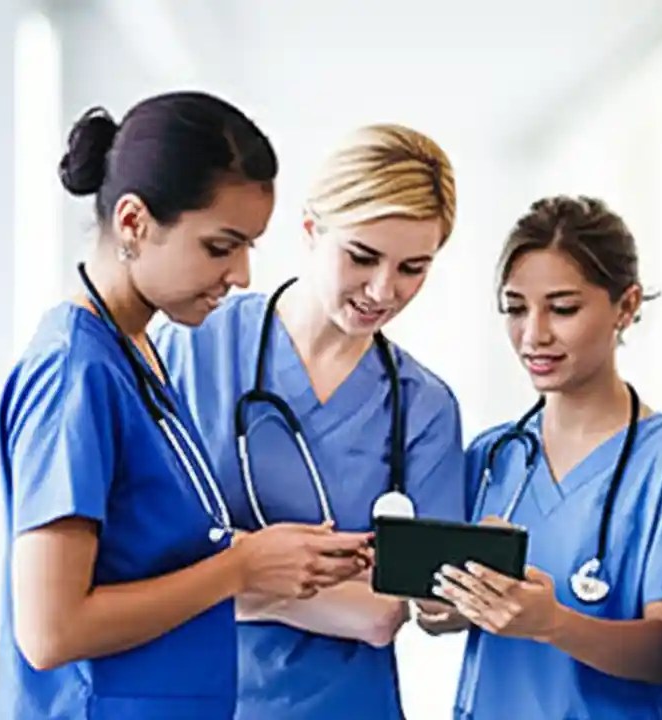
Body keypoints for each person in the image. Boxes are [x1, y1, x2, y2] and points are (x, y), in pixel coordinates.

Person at [0, 92, 373, 720]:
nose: (244, 274)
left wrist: (270, 556)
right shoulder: (73, 372)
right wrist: (240, 568)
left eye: (250, 246)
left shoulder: (138, 354)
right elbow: (50, 630)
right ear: (135, 223)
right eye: (221, 246)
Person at [153, 123, 465, 720]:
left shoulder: (423, 407)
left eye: (413, 267)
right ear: (310, 229)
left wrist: (228, 575)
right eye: (363, 256)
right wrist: (299, 586)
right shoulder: (192, 349)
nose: (383, 290)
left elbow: (384, 615)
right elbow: (140, 553)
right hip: (193, 695)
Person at [417, 195, 662, 718]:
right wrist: (443, 603)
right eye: (515, 308)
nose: (534, 334)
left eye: (563, 308)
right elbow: (439, 616)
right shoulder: (492, 457)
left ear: (626, 305)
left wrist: (552, 622)